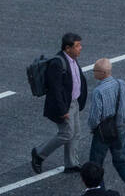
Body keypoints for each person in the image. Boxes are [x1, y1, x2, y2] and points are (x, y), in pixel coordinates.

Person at [31, 33, 88, 175]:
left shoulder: (72, 59)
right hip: (64, 105)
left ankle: (71, 163)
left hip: (73, 102)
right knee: (66, 133)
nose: (81, 48)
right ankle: (39, 154)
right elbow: (55, 89)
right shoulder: (58, 63)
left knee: (75, 133)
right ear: (67, 48)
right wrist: (63, 110)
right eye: (77, 45)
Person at [86, 58, 125, 196]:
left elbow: (94, 118)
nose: (93, 73)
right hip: (119, 129)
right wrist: (120, 124)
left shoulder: (98, 91)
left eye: (95, 71)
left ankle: (100, 195)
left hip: (103, 132)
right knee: (121, 163)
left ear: (102, 73)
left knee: (96, 165)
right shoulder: (121, 84)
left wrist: (93, 128)